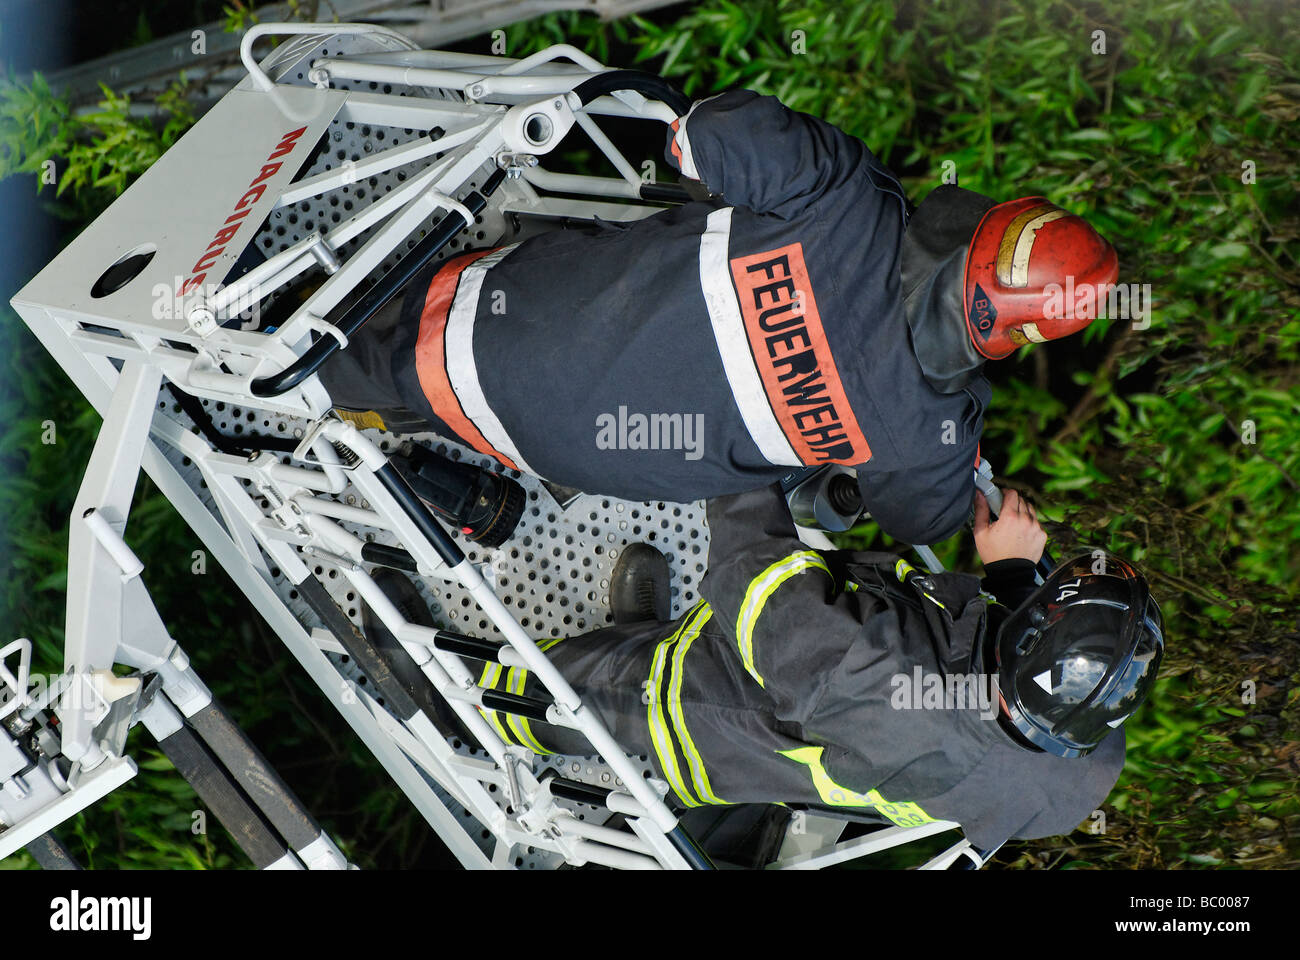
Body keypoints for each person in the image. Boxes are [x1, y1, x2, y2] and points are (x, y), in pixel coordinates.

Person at [320, 87, 1120, 545]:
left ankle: (306, 356)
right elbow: (932, 521)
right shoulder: (924, 436)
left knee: (341, 339)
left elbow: (702, 132)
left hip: (491, 320)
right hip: (545, 450)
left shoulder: (846, 197)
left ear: (983, 224)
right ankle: (367, 402)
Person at [366, 482, 1164, 853]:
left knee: (582, 694)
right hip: (813, 708)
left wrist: (731, 458)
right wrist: (1015, 578)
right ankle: (638, 634)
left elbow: (759, 591)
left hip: (719, 718)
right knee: (700, 641)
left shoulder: (897, 692)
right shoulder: (1081, 746)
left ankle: (454, 695)